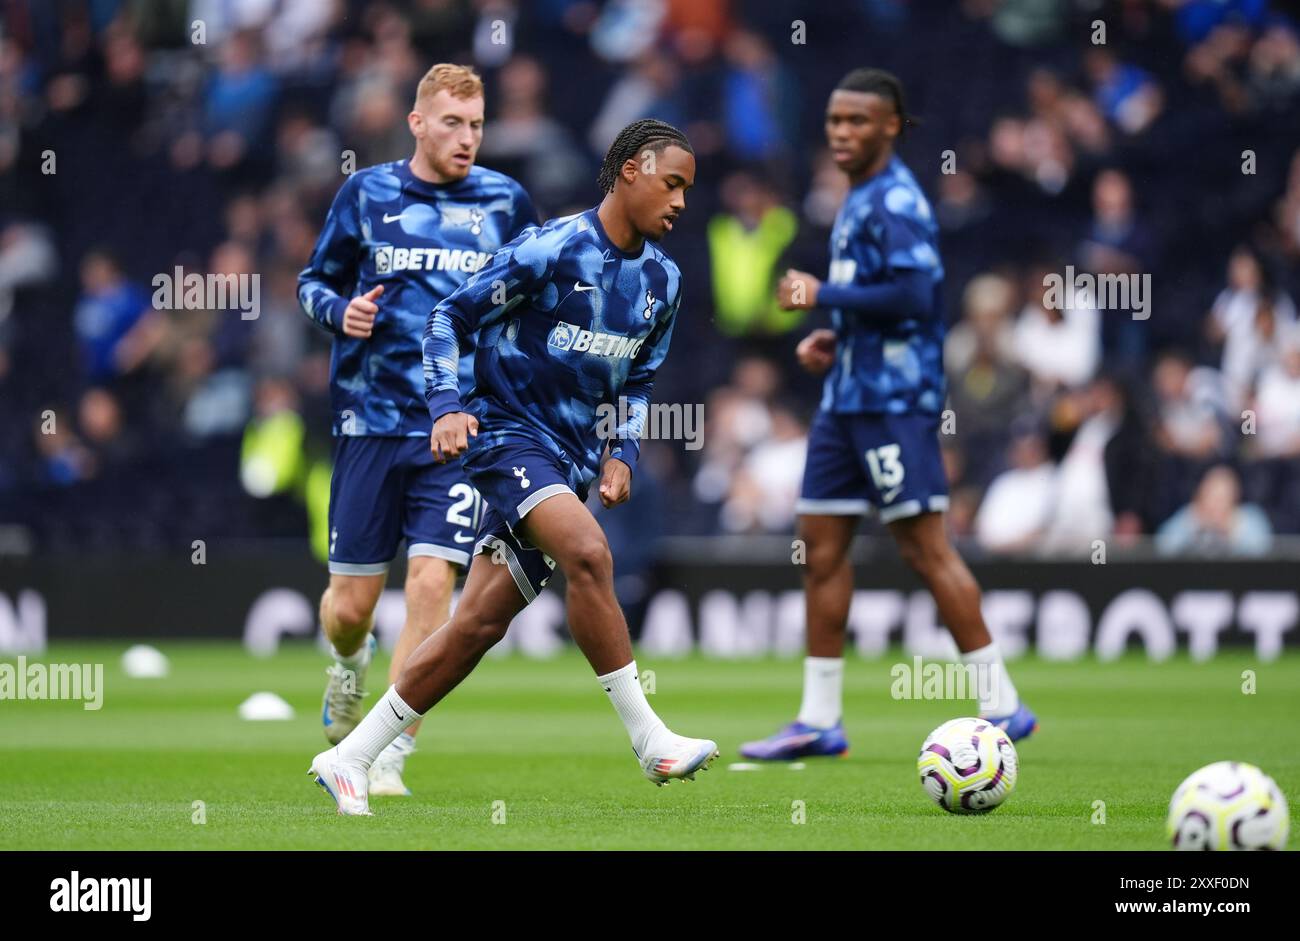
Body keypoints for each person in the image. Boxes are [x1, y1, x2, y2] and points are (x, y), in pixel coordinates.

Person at [309, 119, 717, 816]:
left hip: (569, 459)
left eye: (687, 189)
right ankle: (649, 738)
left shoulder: (664, 280)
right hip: (504, 436)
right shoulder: (552, 246)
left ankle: (349, 755)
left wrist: (621, 452)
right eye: (672, 183)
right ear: (630, 171)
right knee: (589, 550)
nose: (681, 202)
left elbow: (641, 379)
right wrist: (444, 405)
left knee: (475, 627)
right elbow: (449, 317)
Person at [741, 69, 1037, 761]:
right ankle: (819, 720)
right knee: (820, 546)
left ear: (893, 127)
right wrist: (837, 334)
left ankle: (1002, 703)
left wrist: (824, 293)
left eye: (858, 121)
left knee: (925, 548)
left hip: (893, 404)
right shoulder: (859, 196)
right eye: (835, 121)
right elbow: (880, 300)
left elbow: (916, 294)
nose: (842, 133)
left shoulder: (898, 199)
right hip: (845, 399)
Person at [297, 64, 536, 797]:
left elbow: (532, 295)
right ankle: (348, 663)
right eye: (452, 123)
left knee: (432, 583)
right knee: (349, 608)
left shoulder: (505, 201)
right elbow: (314, 281)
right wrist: (342, 314)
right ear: (417, 123)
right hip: (370, 420)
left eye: (476, 123)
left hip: (454, 424)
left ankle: (386, 752)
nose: (467, 138)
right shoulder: (365, 194)